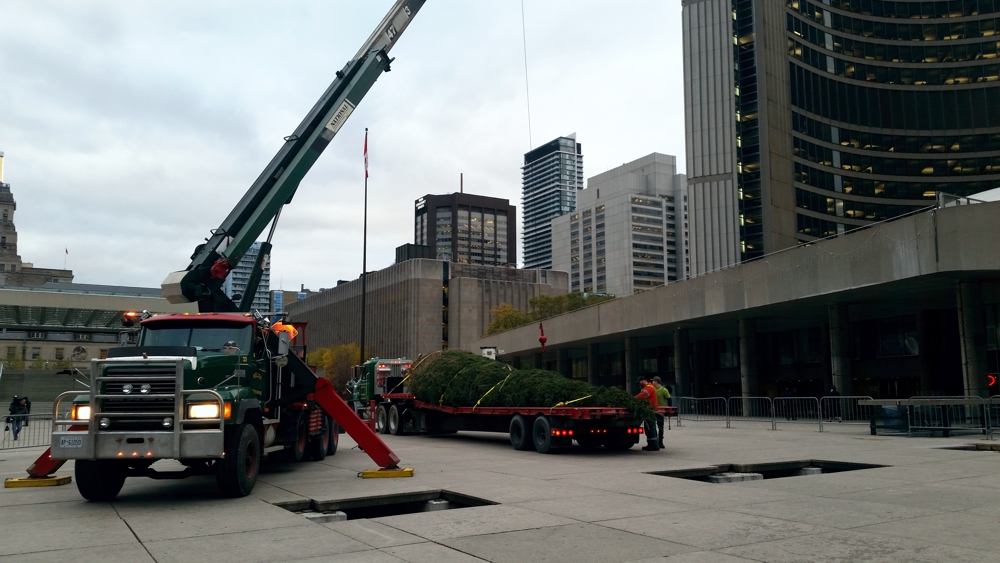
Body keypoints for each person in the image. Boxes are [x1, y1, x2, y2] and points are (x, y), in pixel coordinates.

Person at [635, 377, 659, 451]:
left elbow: (643, 396)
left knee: (650, 427)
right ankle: (651, 444)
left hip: (651, 411)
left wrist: (633, 399)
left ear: (643, 381)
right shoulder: (645, 388)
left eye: (639, 382)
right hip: (648, 410)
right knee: (648, 428)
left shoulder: (649, 387)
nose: (638, 384)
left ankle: (654, 445)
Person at [652, 377, 671, 449]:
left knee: (660, 427)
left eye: (653, 381)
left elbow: (669, 399)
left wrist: (669, 410)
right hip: (653, 410)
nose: (652, 382)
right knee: (653, 426)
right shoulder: (652, 389)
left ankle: (660, 442)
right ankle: (655, 441)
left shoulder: (664, 390)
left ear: (656, 381)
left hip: (660, 411)